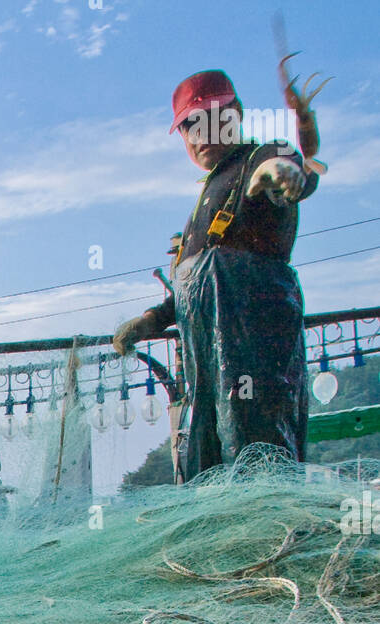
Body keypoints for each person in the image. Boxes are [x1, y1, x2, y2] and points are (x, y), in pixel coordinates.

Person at [114, 70, 318, 481]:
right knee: (204, 467)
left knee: (260, 460)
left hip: (257, 366)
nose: (199, 133)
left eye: (210, 117)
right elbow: (190, 293)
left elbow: (288, 171)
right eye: (189, 124)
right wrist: (150, 321)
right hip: (206, 376)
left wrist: (281, 172)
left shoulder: (260, 158)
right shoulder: (203, 203)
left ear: (236, 114)